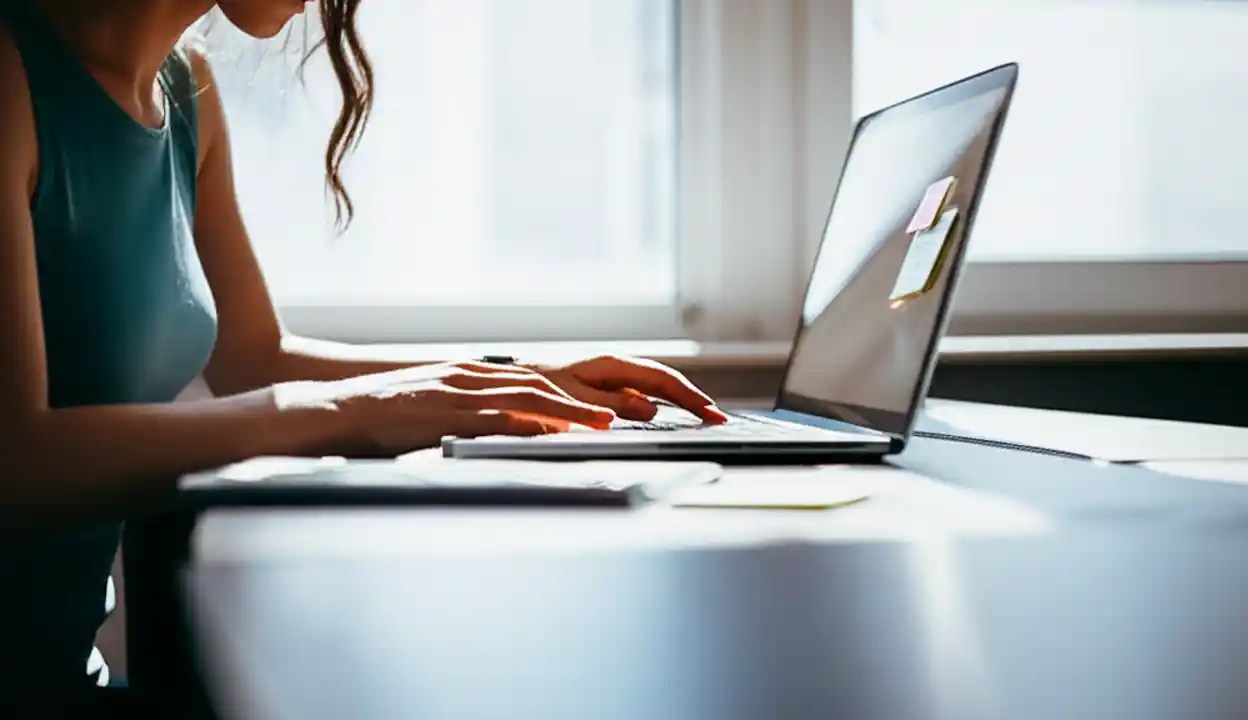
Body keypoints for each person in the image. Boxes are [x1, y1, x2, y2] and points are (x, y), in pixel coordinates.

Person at [0, 0, 728, 702]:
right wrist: (347, 410)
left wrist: (511, 379)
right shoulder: (12, 74)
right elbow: (16, 459)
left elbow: (256, 357)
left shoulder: (186, 89)